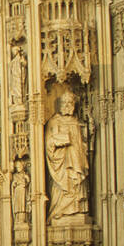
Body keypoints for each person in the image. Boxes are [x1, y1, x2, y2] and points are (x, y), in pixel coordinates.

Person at [45, 90, 89, 221]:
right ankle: (61, 210)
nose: (67, 105)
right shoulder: (54, 121)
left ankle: (77, 210)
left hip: (77, 159)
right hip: (62, 162)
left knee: (77, 183)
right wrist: (62, 140)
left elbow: (82, 142)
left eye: (70, 103)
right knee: (63, 187)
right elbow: (48, 143)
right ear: (60, 105)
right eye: (64, 103)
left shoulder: (76, 121)